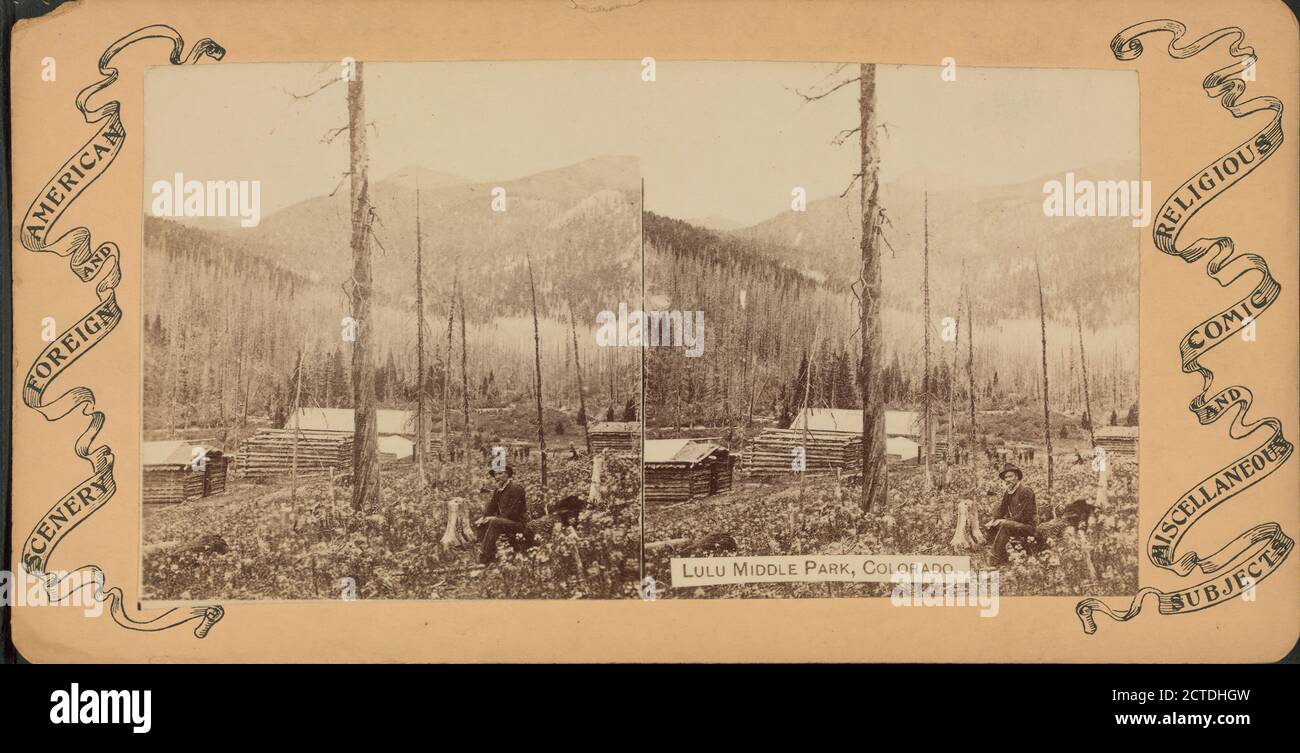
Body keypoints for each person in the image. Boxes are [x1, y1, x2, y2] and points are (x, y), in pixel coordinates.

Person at [985, 462, 1039, 565]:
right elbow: (1002, 510)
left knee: (1005, 525)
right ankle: (1003, 557)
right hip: (1016, 524)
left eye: (1010, 476)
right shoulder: (1008, 492)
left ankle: (994, 559)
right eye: (1006, 477)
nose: (1007, 479)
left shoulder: (1025, 491)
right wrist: (993, 520)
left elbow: (1025, 516)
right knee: (993, 524)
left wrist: (1005, 520)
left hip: (1028, 526)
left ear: (1017, 477)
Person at [476, 464, 532, 564]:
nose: (497, 477)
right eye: (496, 475)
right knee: (483, 523)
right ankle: (491, 557)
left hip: (519, 524)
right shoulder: (499, 489)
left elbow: (512, 512)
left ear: (507, 474)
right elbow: (492, 506)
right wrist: (484, 518)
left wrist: (494, 518)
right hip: (506, 521)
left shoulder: (515, 488)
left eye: (500, 473)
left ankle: (483, 557)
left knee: (494, 522)